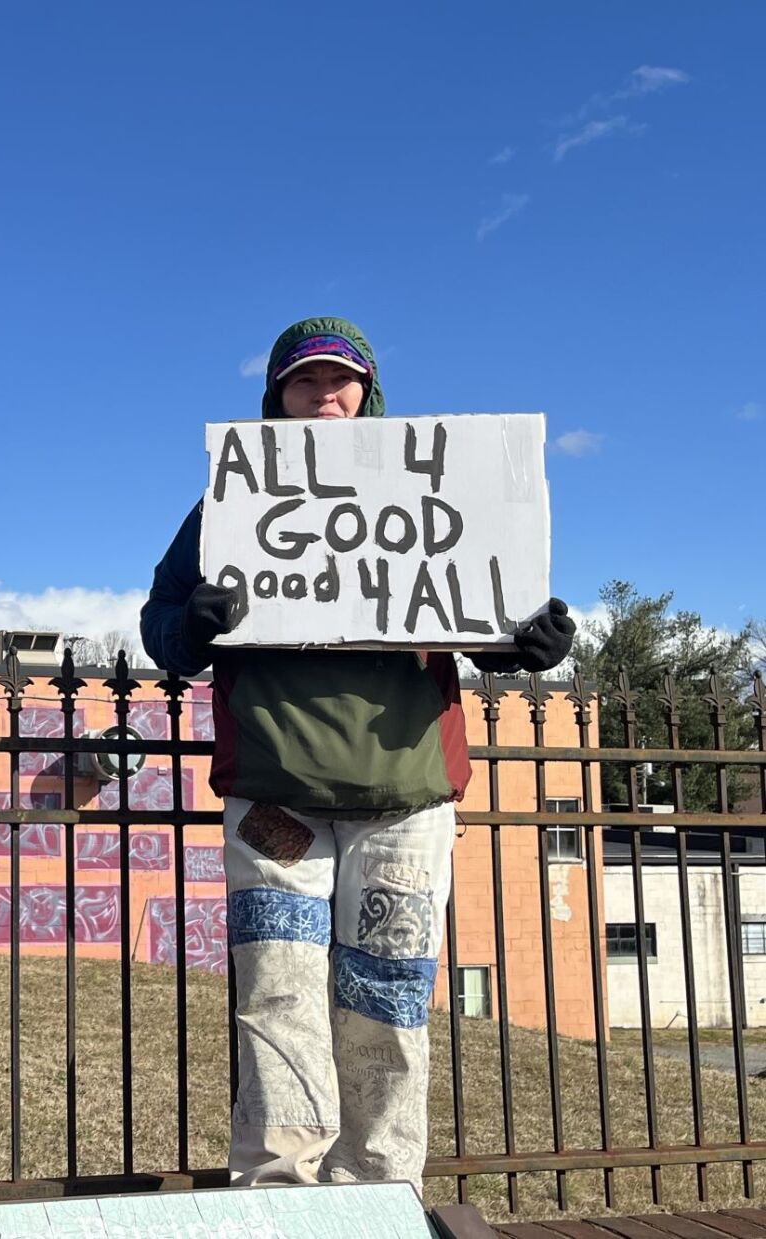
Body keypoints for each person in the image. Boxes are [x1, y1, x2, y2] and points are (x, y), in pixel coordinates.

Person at [139, 316, 573, 1187]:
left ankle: (377, 1193)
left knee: (387, 1002)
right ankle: (277, 1190)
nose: (324, 395)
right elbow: (163, 633)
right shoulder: (226, 505)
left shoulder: (433, 494)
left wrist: (527, 640)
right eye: (304, 382)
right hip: (273, 793)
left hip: (405, 799)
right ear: (275, 398)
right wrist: (193, 623)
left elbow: (478, 614)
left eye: (340, 380)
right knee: (276, 999)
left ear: (367, 395)